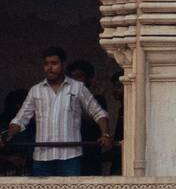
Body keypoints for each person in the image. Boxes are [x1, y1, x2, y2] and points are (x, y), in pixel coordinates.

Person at [4, 45, 110, 177]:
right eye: (46, 64)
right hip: (42, 159)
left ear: (63, 64)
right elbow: (20, 119)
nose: (49, 67)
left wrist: (105, 134)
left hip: (70, 158)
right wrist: (8, 135)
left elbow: (99, 113)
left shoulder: (78, 87)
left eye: (54, 63)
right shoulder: (35, 90)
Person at [67, 59, 109, 176]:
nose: (75, 81)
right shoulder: (65, 99)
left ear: (89, 79)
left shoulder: (97, 99)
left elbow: (95, 119)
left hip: (90, 151)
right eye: (72, 78)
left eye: (79, 77)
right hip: (70, 152)